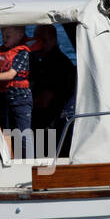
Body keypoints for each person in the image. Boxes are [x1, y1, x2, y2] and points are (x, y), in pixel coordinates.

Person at [0, 25, 33, 158]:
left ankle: (29, 162)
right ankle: (10, 158)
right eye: (3, 36)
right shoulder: (1, 52)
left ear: (20, 35)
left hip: (20, 99)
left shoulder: (22, 53)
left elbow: (10, 75)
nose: (4, 39)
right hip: (4, 98)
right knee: (6, 130)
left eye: (8, 36)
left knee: (23, 132)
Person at [28, 23, 76, 153]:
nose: (39, 44)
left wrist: (20, 105)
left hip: (50, 125)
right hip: (44, 123)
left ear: (53, 40)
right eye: (36, 41)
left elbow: (45, 101)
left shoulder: (57, 64)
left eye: (43, 40)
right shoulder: (40, 61)